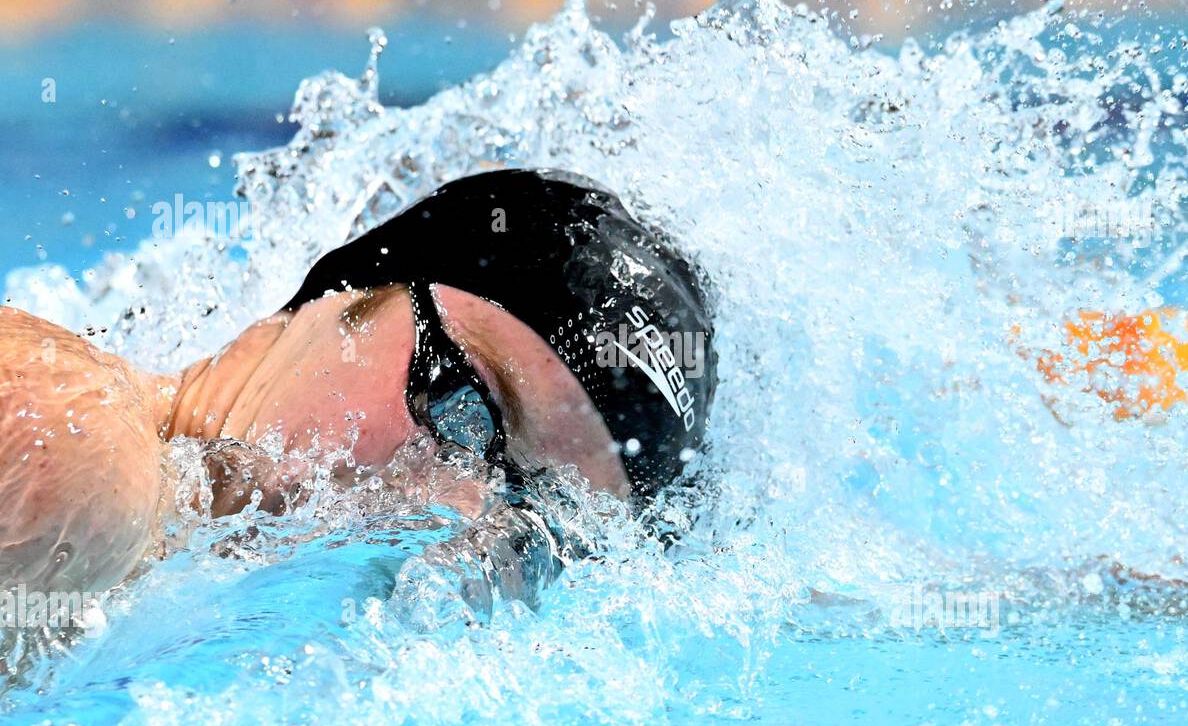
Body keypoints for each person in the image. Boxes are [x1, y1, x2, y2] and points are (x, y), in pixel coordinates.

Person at [0, 169, 717, 600]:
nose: (460, 512)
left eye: (532, 518)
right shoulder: (76, 455)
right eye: (467, 409)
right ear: (342, 293)